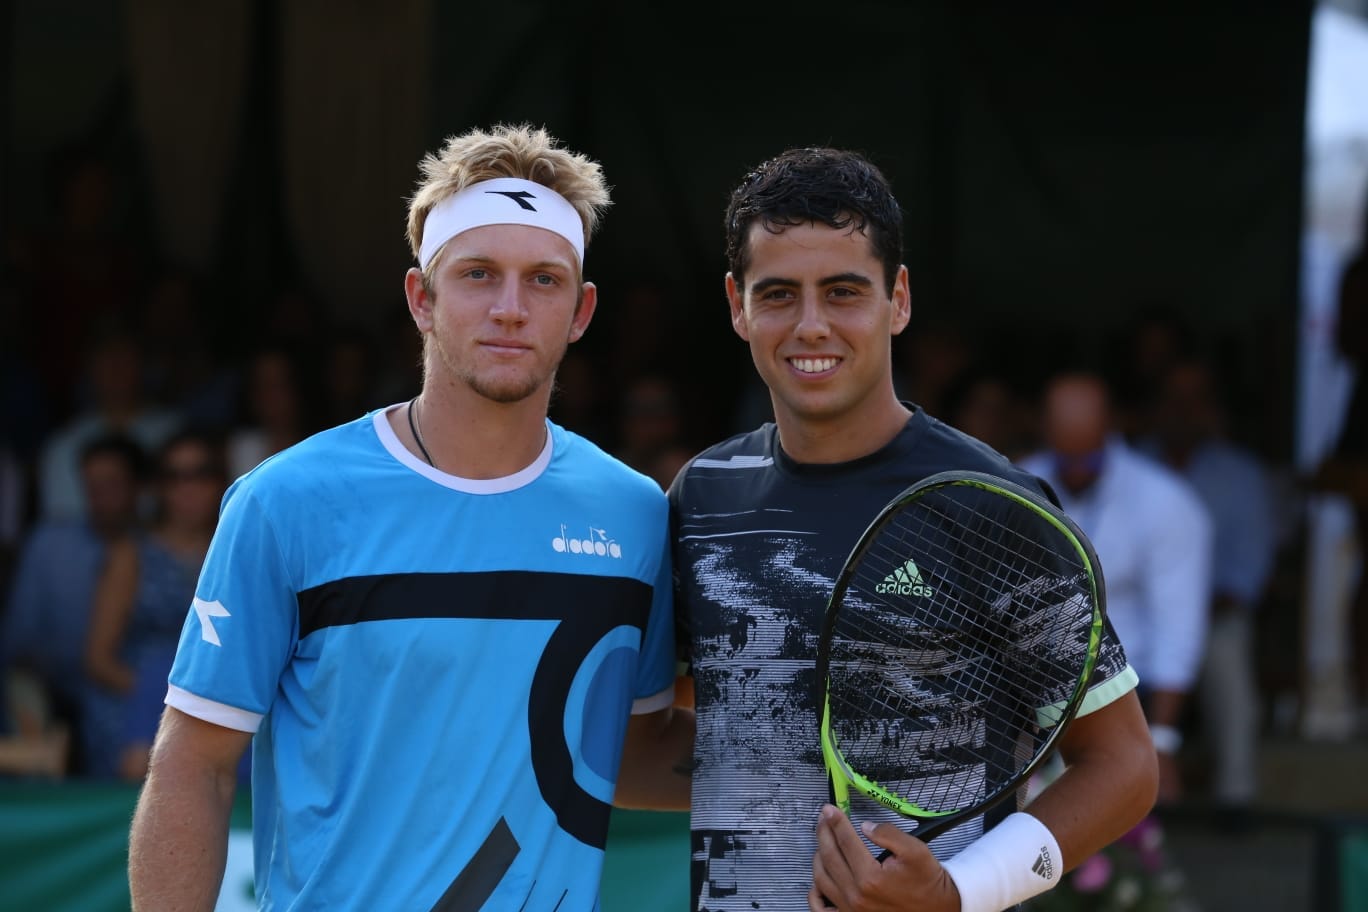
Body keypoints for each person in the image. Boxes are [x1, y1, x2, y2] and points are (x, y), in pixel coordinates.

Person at [128, 124, 693, 910]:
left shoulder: (633, 515)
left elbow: (628, 755)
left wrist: (822, 763)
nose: (509, 308)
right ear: (421, 299)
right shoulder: (285, 501)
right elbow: (195, 763)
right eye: (477, 274)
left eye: (543, 280)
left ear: (581, 310)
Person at [669, 147, 1157, 912]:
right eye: (777, 294)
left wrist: (958, 893)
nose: (810, 325)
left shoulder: (993, 506)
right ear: (736, 304)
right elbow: (688, 740)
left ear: (898, 299)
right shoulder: (700, 499)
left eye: (843, 292)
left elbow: (1124, 765)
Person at [1018, 371, 1212, 805]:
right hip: (1029, 687)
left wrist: (1161, 739)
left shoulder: (1166, 501)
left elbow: (1177, 627)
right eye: (1065, 463)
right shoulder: (1016, 487)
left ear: (1112, 432)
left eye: (1086, 462)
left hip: (1127, 688)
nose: (1077, 475)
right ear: (1046, 434)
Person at [1141, 354, 1278, 813]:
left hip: (1214, 615)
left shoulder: (1241, 475)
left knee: (1228, 651)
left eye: (1193, 399)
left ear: (1212, 408)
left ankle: (1235, 797)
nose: (1182, 410)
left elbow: (1247, 575)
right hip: (1132, 618)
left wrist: (1189, 619)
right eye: (1172, 398)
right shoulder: (1130, 467)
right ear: (1155, 405)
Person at [83, 429, 227, 780]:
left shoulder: (237, 553)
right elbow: (98, 659)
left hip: (224, 699)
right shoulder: (131, 554)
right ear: (158, 486)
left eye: (201, 473)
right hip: (136, 698)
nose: (187, 487)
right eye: (174, 476)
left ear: (221, 480)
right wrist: (163, 697)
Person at [4, 432, 147, 775]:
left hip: (131, 688)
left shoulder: (158, 553)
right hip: (55, 686)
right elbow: (16, 643)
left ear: (140, 487)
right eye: (91, 485)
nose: (100, 496)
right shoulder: (49, 545)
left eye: (111, 483)